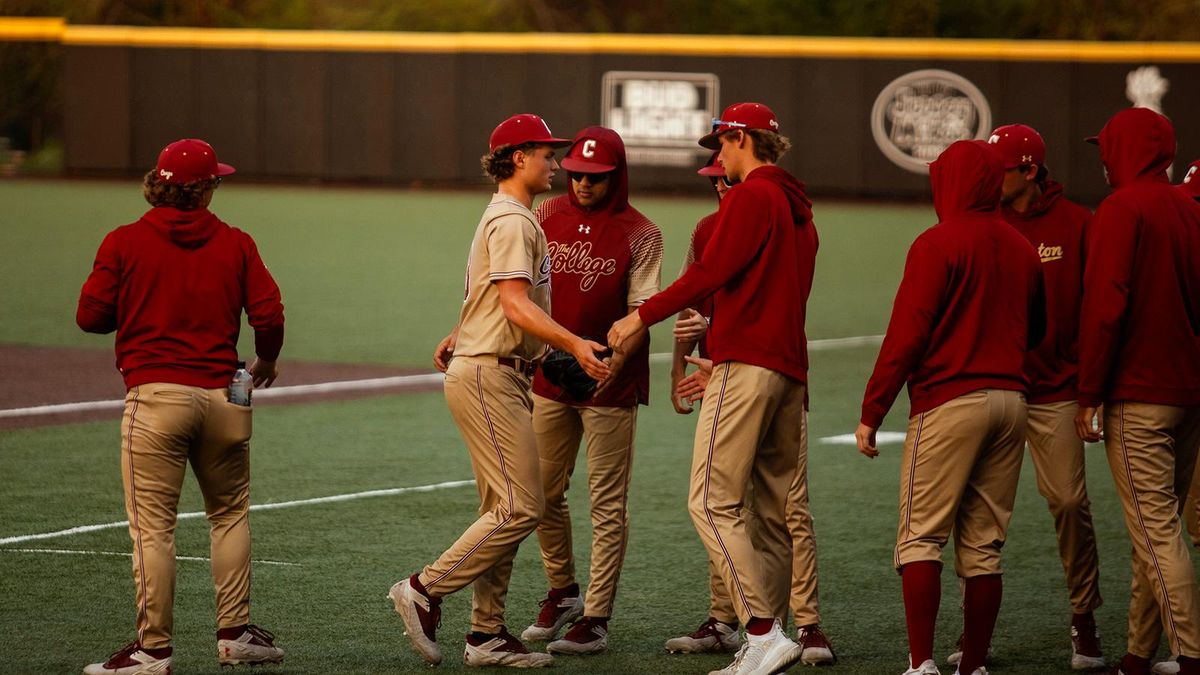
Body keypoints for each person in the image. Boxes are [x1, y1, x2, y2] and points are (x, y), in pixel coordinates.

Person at [388, 113, 610, 669]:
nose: (556, 164)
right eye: (546, 154)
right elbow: (513, 303)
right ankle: (424, 589)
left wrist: (463, 329)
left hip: (494, 366)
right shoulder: (513, 220)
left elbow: (493, 299)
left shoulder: (510, 216)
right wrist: (574, 343)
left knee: (502, 505)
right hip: (491, 374)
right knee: (522, 505)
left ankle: (486, 634)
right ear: (518, 158)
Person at [609, 102, 818, 675]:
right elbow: (777, 295)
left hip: (747, 365)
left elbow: (710, 273)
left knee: (710, 500)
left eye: (721, 143)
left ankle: (760, 631)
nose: (717, 155)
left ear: (744, 139)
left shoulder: (752, 195)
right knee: (771, 516)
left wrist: (639, 318)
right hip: (788, 372)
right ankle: (769, 640)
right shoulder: (801, 210)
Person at [76, 138, 286, 675]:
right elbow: (269, 312)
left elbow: (91, 318)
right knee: (230, 513)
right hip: (225, 395)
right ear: (207, 188)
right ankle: (236, 634)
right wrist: (265, 361)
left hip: (156, 400)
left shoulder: (124, 241)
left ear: (159, 183)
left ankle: (152, 650)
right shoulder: (236, 242)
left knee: (153, 530)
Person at [854, 139, 1045, 675]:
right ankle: (974, 665)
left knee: (921, 538)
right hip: (1013, 403)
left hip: (949, 402)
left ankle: (921, 664)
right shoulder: (1021, 246)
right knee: (983, 547)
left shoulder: (936, 243)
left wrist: (873, 410)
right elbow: (1038, 331)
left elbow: (906, 338)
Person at [939, 124, 1104, 671]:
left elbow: (1096, 311)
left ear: (1029, 171)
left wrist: (1088, 391)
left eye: (999, 168)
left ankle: (1084, 618)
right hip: (994, 387)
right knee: (976, 514)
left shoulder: (1079, 224)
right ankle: (973, 634)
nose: (987, 175)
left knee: (1069, 502)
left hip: (1056, 390)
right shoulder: (978, 221)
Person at [665, 153, 835, 667]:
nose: (719, 185)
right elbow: (695, 305)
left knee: (764, 507)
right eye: (713, 179)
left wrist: (639, 325)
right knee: (736, 504)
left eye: (725, 175)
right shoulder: (716, 224)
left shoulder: (777, 214)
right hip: (743, 370)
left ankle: (793, 627)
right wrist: (688, 361)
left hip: (754, 372)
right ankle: (737, 624)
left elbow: (764, 306)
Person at [518, 126, 663, 655]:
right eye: (575, 172)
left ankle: (596, 617)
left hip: (610, 384)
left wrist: (607, 363)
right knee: (540, 493)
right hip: (550, 375)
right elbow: (524, 291)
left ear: (616, 176)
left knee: (606, 505)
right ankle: (563, 592)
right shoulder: (546, 215)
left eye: (595, 177)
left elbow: (641, 311)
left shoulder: (642, 232)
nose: (581, 182)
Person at [1075, 108, 1200, 675]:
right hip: (1189, 394)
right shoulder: (1189, 208)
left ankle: (1191, 655)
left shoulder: (1121, 209)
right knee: (1157, 529)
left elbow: (1105, 309)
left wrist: (1088, 394)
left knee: (1155, 535)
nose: (1102, 158)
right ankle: (1137, 654)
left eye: (1108, 147)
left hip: (1139, 396)